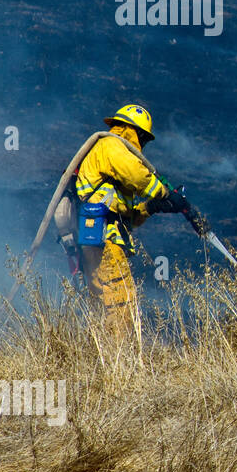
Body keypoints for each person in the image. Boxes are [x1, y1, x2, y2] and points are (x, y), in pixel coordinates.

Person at [74, 104, 191, 335]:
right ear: (132, 131)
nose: (143, 145)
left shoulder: (108, 157)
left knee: (103, 306)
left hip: (98, 240)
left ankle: (97, 360)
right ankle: (117, 364)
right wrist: (165, 193)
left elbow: (127, 216)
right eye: (143, 138)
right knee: (121, 305)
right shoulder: (110, 144)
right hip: (105, 241)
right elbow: (136, 174)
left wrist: (154, 206)